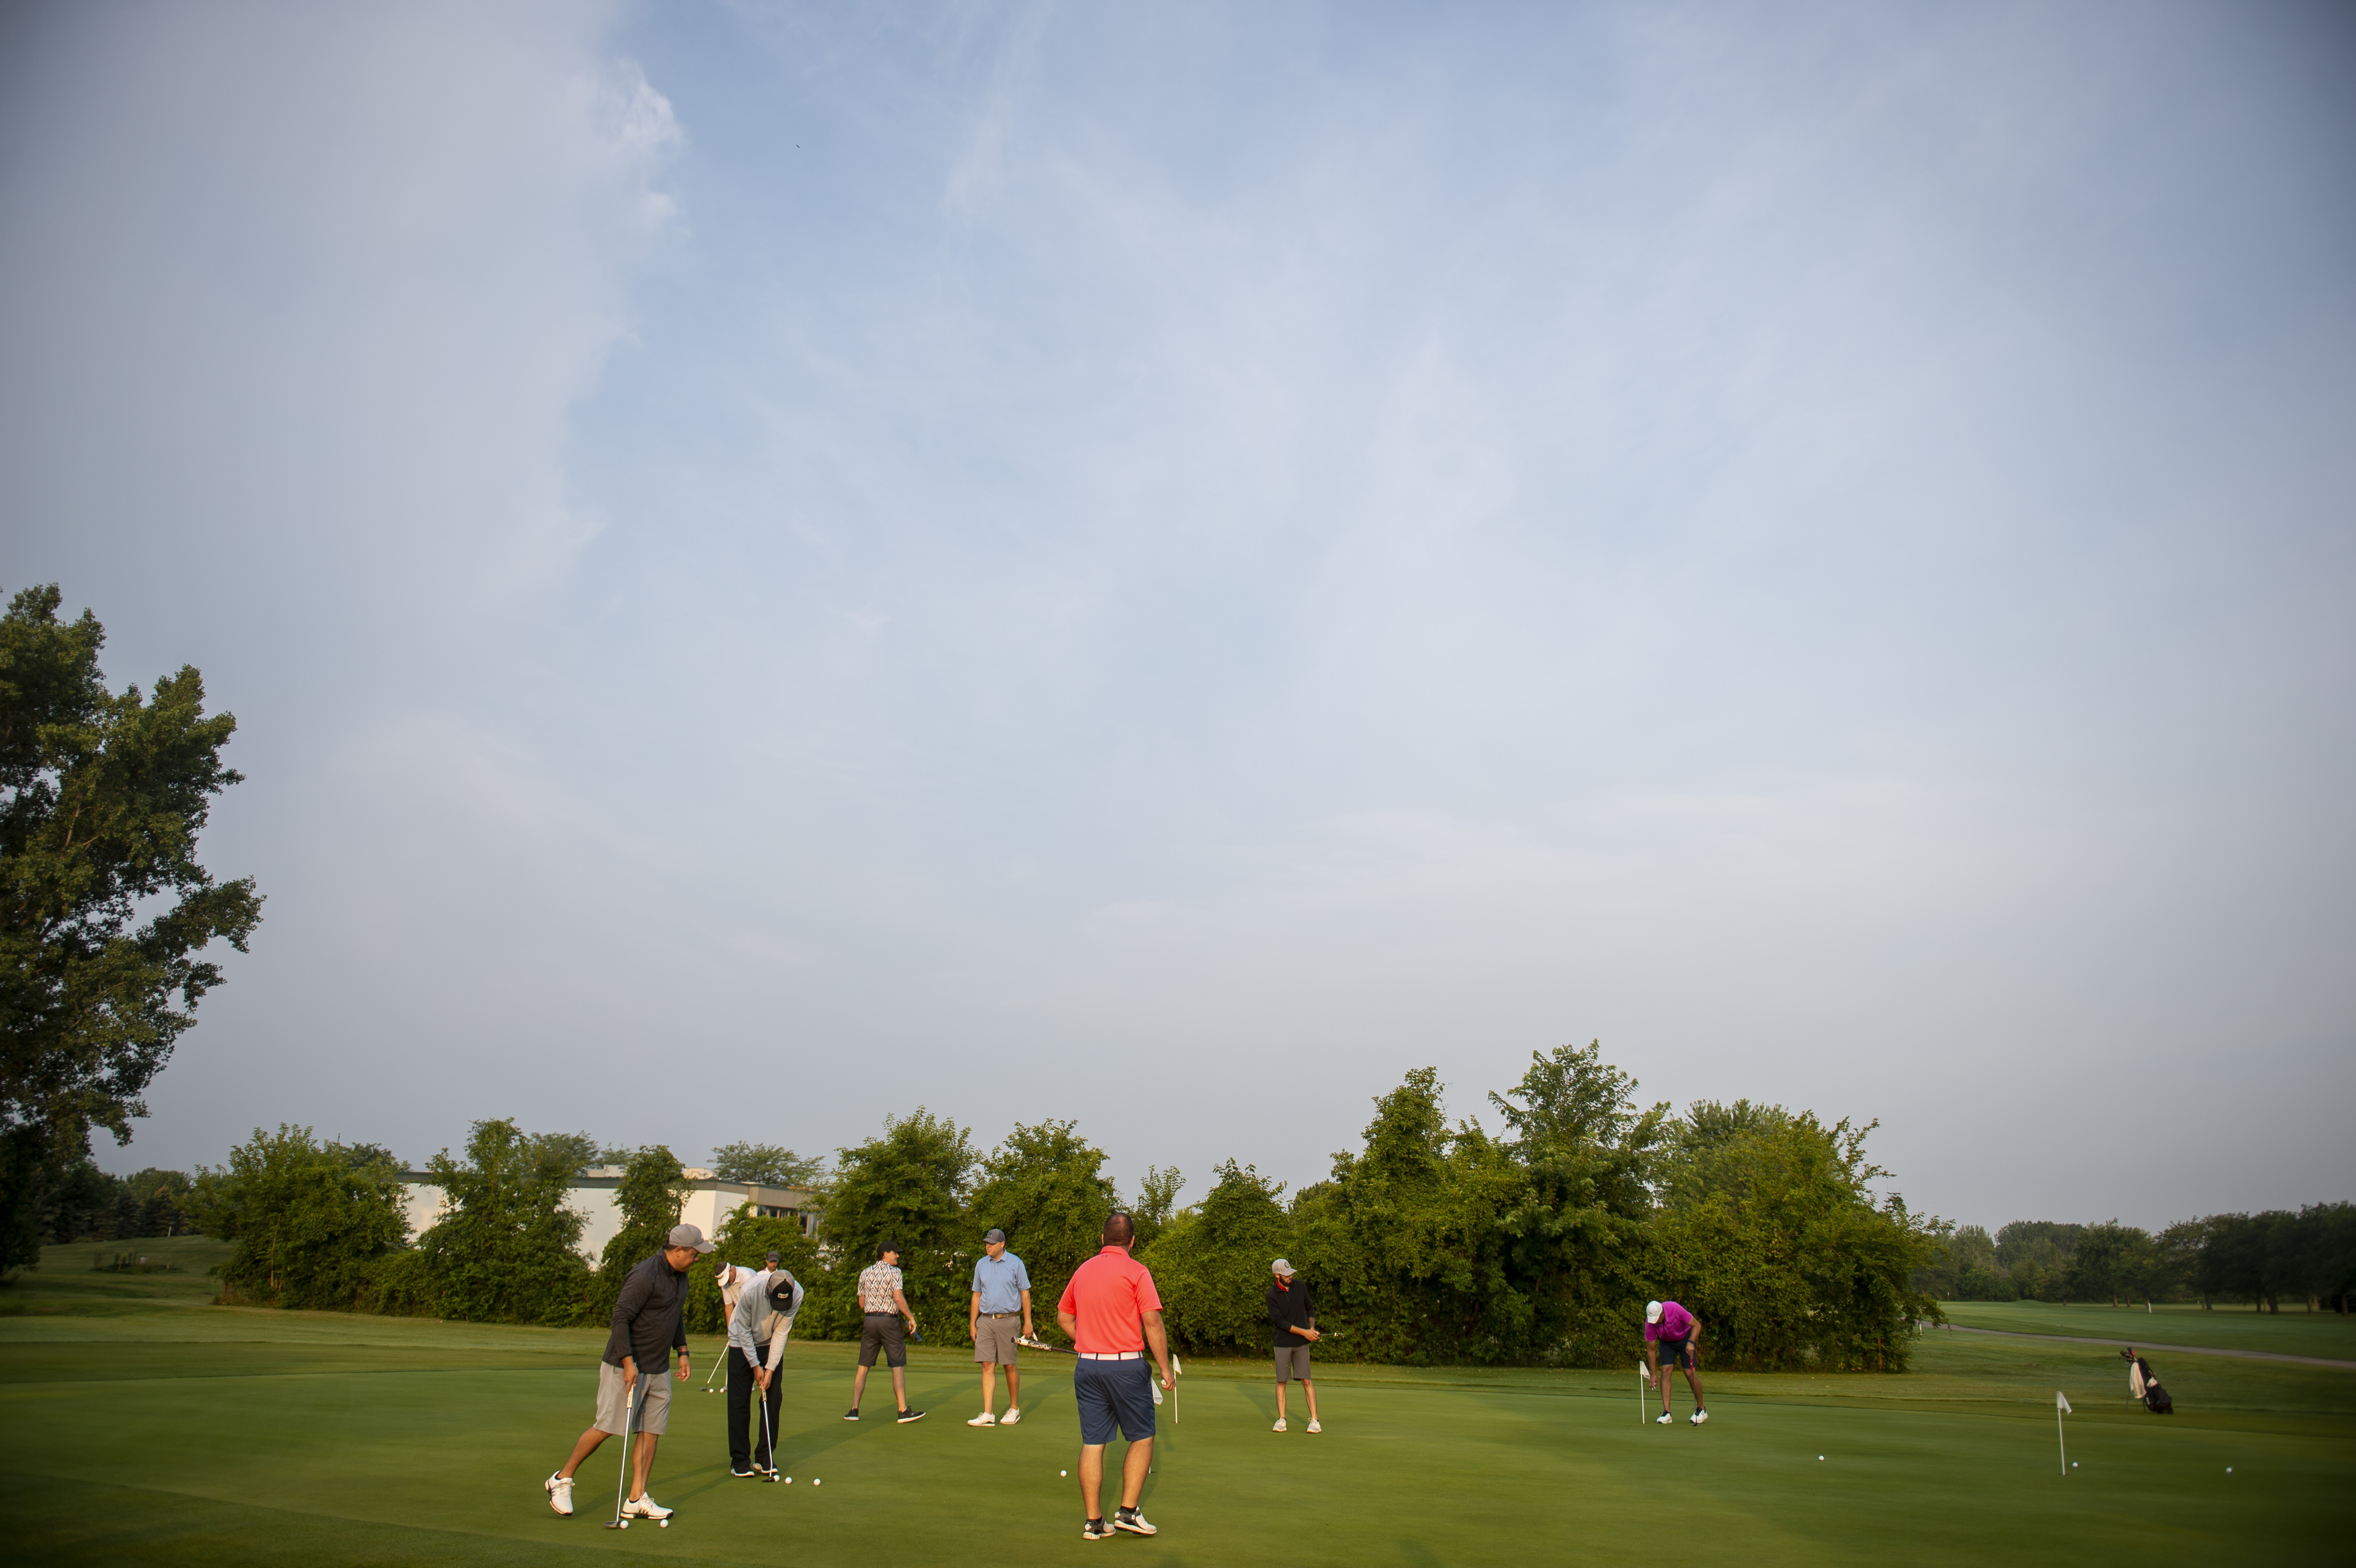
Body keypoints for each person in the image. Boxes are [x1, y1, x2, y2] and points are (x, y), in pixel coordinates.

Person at [544, 1223, 715, 1521]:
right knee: (608, 1427)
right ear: (678, 1251)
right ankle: (561, 1480)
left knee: (651, 1431)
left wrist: (683, 1351)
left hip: (659, 1367)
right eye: (694, 1253)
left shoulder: (682, 1278)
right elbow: (620, 1317)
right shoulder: (645, 1275)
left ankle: (636, 1498)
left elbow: (675, 1316)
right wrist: (627, 1362)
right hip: (625, 1365)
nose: (697, 1258)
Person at [1056, 1212, 1176, 1542]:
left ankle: (1094, 1523)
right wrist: (1165, 1369)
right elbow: (1152, 1322)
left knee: (1093, 1443)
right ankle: (1128, 1513)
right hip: (1126, 1368)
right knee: (1142, 1437)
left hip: (1088, 1368)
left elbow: (1064, 1318)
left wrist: (1088, 1340)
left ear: (1103, 1238)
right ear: (1132, 1241)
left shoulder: (1083, 1270)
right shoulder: (1138, 1271)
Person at [728, 1252, 804, 1476]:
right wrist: (755, 1365)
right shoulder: (751, 1290)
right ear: (769, 1289)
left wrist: (769, 1369)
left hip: (770, 1343)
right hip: (740, 1343)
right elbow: (742, 1329)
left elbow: (782, 1332)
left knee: (773, 1399)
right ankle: (740, 1460)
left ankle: (765, 1457)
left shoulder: (797, 1294)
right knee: (739, 1401)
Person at [846, 1241, 925, 1424]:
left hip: (870, 1321)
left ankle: (853, 1410)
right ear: (884, 1254)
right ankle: (903, 1410)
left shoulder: (865, 1273)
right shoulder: (895, 1272)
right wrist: (911, 1317)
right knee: (897, 1365)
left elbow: (861, 1303)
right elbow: (898, 1298)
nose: (897, 1256)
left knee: (863, 1366)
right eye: (894, 1253)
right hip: (889, 1322)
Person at [967, 1227, 1034, 1427]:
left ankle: (1014, 1409)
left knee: (1009, 1365)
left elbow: (1025, 1293)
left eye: (992, 1244)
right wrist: (973, 1323)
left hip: (1009, 1319)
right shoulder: (981, 1264)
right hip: (986, 1320)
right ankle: (988, 1413)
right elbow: (976, 1295)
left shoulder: (1016, 1263)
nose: (988, 1247)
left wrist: (1028, 1322)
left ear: (1002, 1244)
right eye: (987, 1243)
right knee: (987, 1364)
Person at [1266, 1257, 1321, 1433]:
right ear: (1277, 1275)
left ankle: (1315, 1421)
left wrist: (1311, 1329)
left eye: (1291, 1273)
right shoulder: (1271, 1295)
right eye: (1286, 1275)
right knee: (1282, 1381)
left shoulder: (1300, 1286)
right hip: (1282, 1344)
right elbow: (1281, 1322)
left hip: (1301, 1344)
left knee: (1306, 1380)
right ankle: (1282, 1420)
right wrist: (1305, 1332)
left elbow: (1310, 1307)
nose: (1290, 1277)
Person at [1644, 1299, 1707, 1425]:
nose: (1655, 1322)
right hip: (1667, 1343)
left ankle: (1701, 1409)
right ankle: (1667, 1413)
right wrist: (1653, 1374)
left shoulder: (1675, 1309)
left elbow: (1697, 1325)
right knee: (1665, 1371)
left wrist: (1691, 1342)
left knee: (1689, 1373)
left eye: (1657, 1319)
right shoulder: (1650, 1323)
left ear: (1662, 1313)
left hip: (1685, 1339)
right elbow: (1651, 1350)